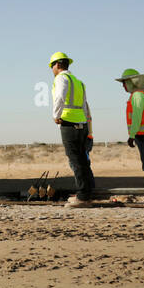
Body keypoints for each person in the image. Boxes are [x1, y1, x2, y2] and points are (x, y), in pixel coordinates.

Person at [49, 51, 95, 206]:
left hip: (68, 122)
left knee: (75, 160)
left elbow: (60, 97)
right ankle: (87, 192)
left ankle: (82, 197)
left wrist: (56, 115)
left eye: (52, 66)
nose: (52, 70)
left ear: (58, 65)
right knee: (82, 160)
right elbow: (84, 106)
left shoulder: (61, 78)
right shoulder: (78, 81)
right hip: (81, 124)